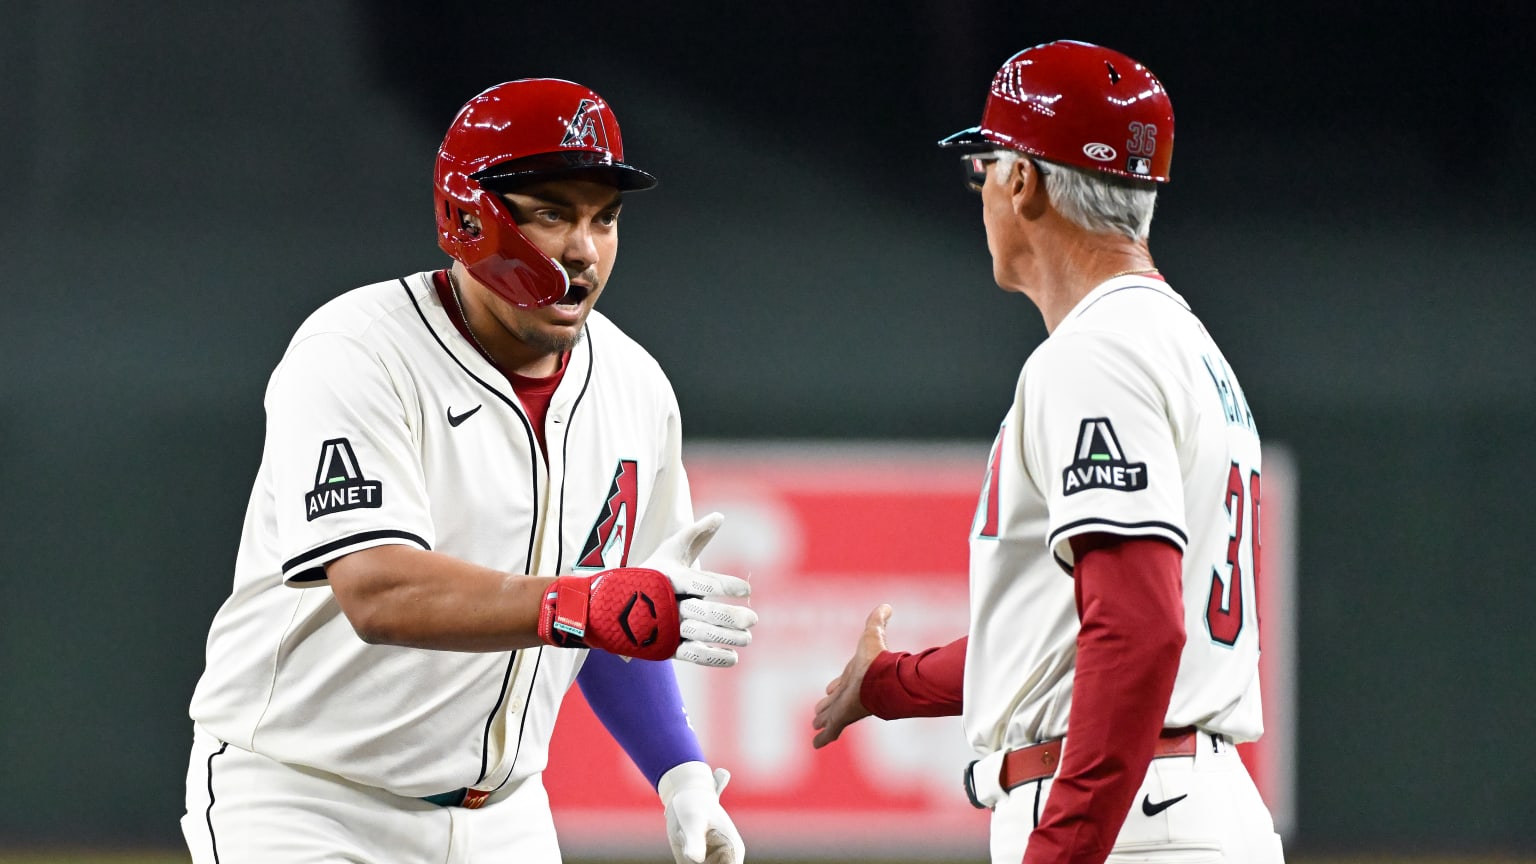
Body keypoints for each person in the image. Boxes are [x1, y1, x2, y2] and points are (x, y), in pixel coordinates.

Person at [181, 78, 757, 864]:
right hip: (305, 798)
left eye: (605, 217)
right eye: (552, 212)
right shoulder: (358, 351)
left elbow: (617, 611)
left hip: (503, 819)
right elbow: (380, 591)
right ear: (469, 214)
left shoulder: (634, 386)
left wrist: (681, 772)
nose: (584, 249)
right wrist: (578, 603)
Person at [811, 40, 1284, 864]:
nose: (983, 191)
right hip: (1176, 805)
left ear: (1023, 180)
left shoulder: (1098, 352)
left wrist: (1061, 852)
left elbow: (1137, 631)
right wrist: (887, 683)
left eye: (984, 168)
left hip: (1136, 823)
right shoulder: (1179, 343)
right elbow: (1058, 639)